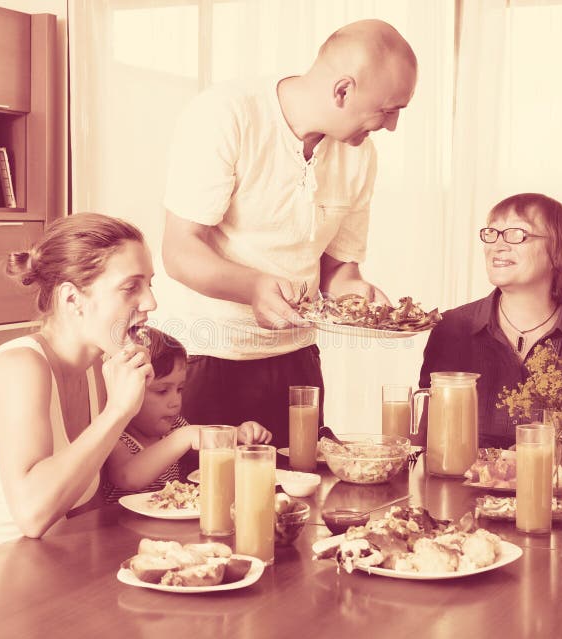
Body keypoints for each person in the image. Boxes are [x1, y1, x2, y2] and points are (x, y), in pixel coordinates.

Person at [161, 19, 418, 446]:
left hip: (297, 359)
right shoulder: (226, 114)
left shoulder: (360, 155)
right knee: (205, 486)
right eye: (389, 110)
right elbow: (179, 250)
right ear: (343, 91)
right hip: (207, 356)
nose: (391, 126)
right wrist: (253, 287)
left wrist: (357, 295)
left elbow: (339, 269)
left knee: (304, 482)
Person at [0, 213, 157, 573]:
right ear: (73, 299)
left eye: (150, 284)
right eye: (131, 287)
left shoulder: (97, 371)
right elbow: (32, 514)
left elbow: (86, 498)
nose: (151, 302)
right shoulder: (21, 368)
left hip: (38, 579)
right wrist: (118, 411)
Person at [418, 193, 562, 461]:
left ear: (558, 250)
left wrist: (559, 449)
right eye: (492, 233)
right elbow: (423, 446)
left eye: (517, 234)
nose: (498, 245)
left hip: (560, 489)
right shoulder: (450, 328)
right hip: (464, 487)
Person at [101, 327, 271, 502]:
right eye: (162, 391)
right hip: (125, 520)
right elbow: (127, 477)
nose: (175, 401)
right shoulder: (117, 437)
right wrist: (184, 436)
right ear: (126, 390)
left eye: (180, 389)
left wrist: (239, 434)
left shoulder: (174, 426)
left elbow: (205, 445)